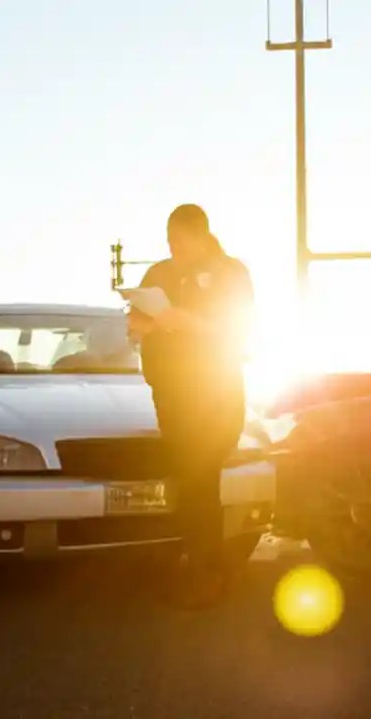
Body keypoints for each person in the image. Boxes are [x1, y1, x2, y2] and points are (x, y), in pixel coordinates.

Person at [128, 203, 255, 609]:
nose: (173, 248)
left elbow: (238, 330)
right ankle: (198, 568)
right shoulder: (158, 274)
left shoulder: (231, 273)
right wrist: (151, 323)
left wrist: (185, 321)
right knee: (189, 481)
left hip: (216, 395)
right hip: (171, 396)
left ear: (201, 236)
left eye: (180, 241)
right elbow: (135, 325)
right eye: (169, 241)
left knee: (200, 481)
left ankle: (207, 576)